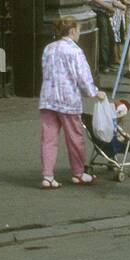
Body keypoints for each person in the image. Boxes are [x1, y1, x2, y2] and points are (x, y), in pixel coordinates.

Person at [38, 16, 107, 189]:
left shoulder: (48, 48)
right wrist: (94, 92)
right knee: (75, 138)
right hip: (68, 100)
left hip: (48, 98)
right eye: (78, 31)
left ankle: (47, 176)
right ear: (73, 31)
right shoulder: (75, 51)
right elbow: (82, 76)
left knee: (48, 138)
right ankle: (78, 173)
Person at [91, 0, 119, 73]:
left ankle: (108, 63)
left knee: (110, 38)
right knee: (105, 40)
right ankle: (104, 65)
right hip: (101, 13)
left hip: (105, 13)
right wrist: (109, 8)